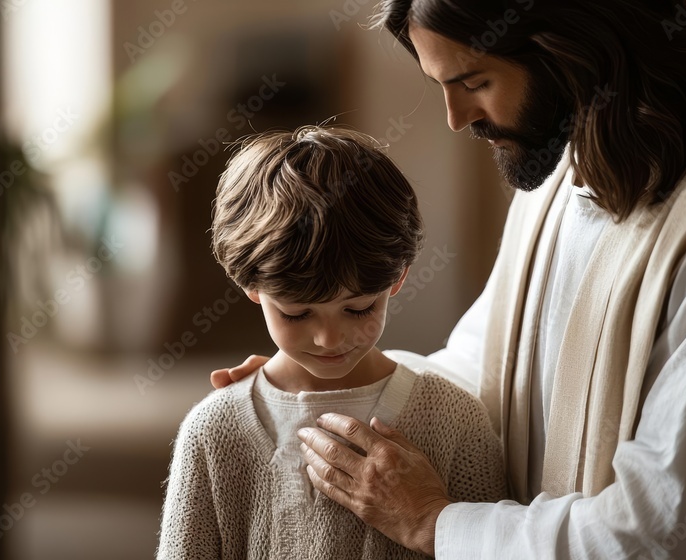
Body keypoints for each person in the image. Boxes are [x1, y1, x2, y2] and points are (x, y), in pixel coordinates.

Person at [212, 1, 686, 558]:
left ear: (572, 44)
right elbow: (488, 372)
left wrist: (434, 524)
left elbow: (666, 533)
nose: (457, 119)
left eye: (475, 82)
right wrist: (336, 382)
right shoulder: (579, 147)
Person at [158, 126, 508, 559]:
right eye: (297, 314)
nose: (329, 338)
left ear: (398, 278)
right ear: (250, 285)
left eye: (358, 309)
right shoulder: (213, 431)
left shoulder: (458, 424)